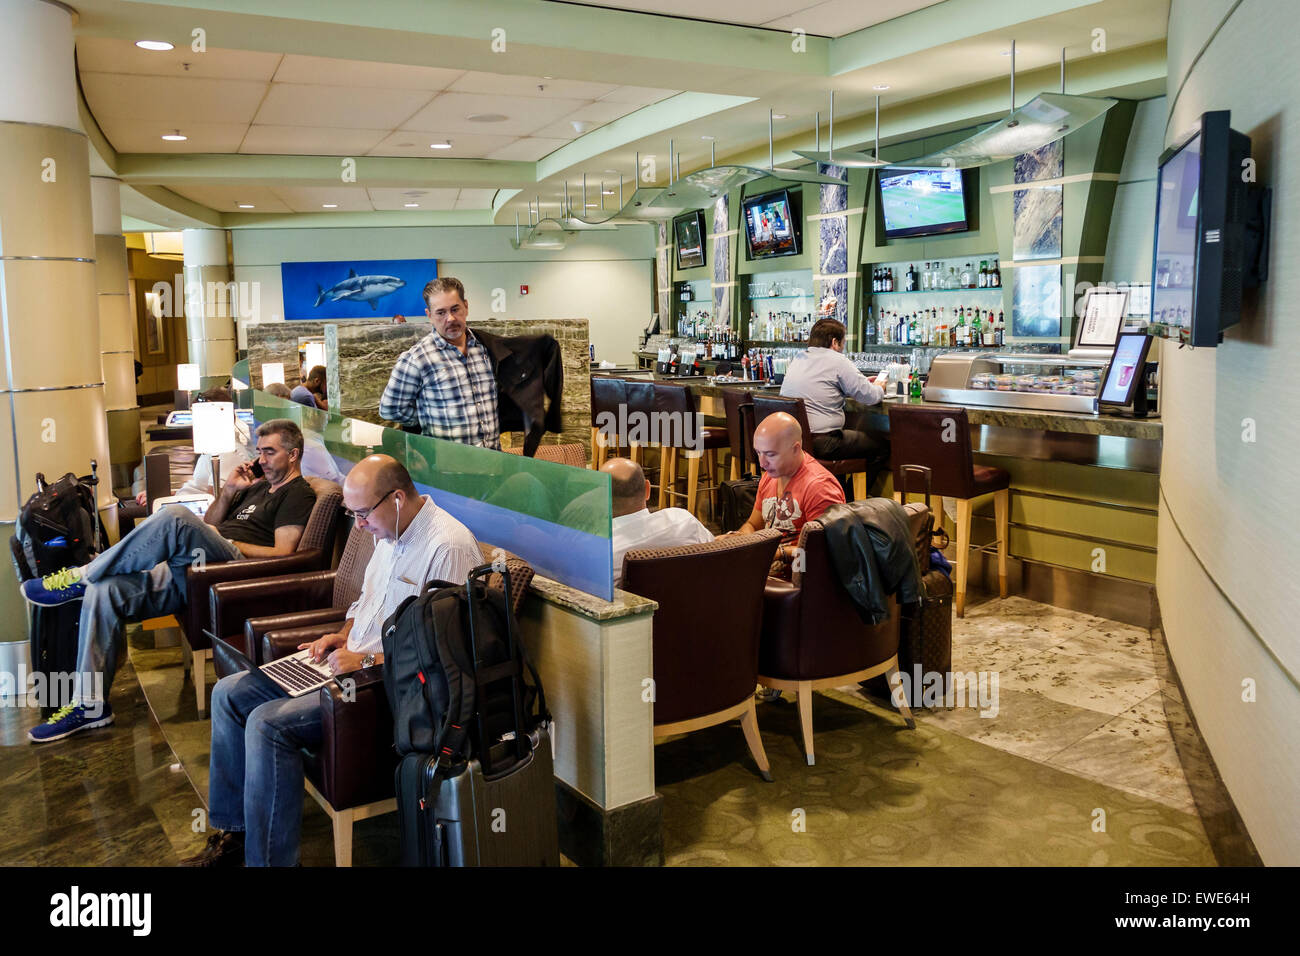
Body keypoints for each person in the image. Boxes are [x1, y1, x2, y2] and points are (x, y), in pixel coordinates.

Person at [181, 454, 481, 867]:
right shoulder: (388, 530)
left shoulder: (448, 546)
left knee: (267, 724)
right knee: (230, 693)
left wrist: (365, 658)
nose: (358, 526)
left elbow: (441, 657)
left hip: (389, 685)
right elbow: (365, 602)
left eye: (361, 514)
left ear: (396, 498)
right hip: (347, 662)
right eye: (352, 514)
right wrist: (341, 635)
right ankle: (236, 835)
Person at [23, 420, 318, 744]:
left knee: (175, 516)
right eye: (259, 452)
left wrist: (223, 539)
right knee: (104, 591)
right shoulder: (258, 486)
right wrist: (230, 491)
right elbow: (210, 523)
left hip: (236, 570)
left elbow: (282, 554)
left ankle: (81, 575)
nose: (261, 459)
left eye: (270, 452)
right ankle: (90, 706)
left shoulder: (297, 493)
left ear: (293, 455)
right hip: (197, 568)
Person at [379, 276, 500, 449]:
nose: (450, 318)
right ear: (429, 315)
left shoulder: (487, 348)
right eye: (441, 312)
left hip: (494, 462)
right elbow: (389, 408)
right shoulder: (417, 359)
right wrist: (428, 417)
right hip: (447, 468)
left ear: (466, 307)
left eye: (455, 309)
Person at [779, 316, 891, 494]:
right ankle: (847, 499)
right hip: (824, 443)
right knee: (882, 447)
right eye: (843, 343)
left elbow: (822, 386)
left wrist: (857, 385)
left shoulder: (798, 358)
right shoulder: (837, 360)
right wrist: (879, 387)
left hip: (796, 441)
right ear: (834, 342)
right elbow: (871, 397)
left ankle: (835, 497)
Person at [734, 411, 844, 577]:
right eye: (758, 453)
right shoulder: (771, 476)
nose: (762, 463)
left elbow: (826, 555)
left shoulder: (819, 487)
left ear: (795, 449)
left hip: (801, 582)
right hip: (770, 570)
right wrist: (743, 541)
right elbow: (752, 524)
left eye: (770, 454)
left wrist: (780, 554)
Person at [604, 458, 712, 588]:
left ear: (601, 498)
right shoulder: (683, 521)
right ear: (647, 489)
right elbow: (715, 549)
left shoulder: (603, 552)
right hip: (695, 604)